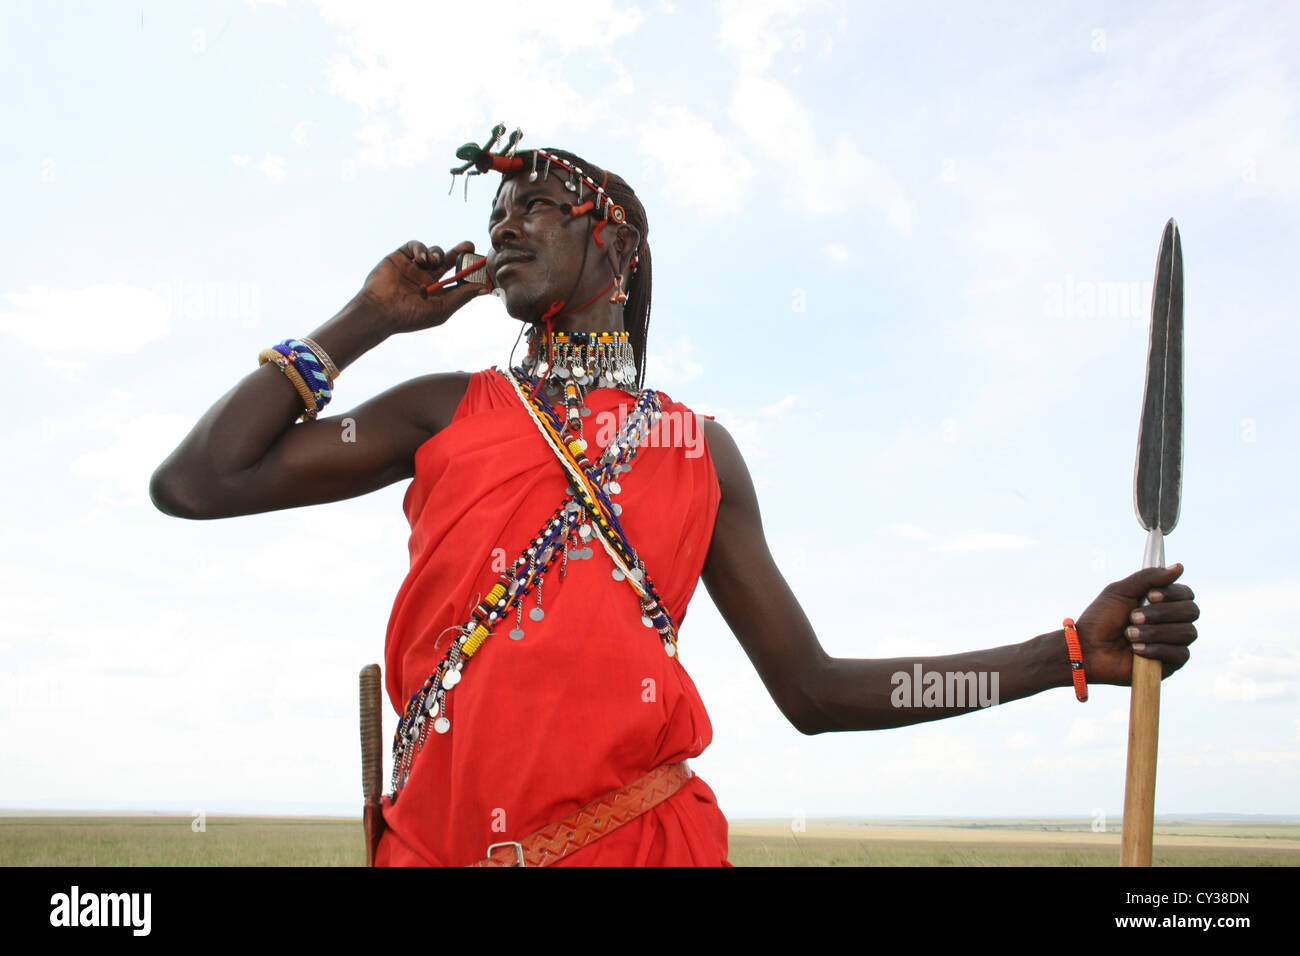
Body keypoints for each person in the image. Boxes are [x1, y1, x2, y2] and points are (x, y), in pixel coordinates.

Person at [149, 140, 1200, 868]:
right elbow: (199, 481)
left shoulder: (697, 451)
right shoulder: (439, 409)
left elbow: (816, 689)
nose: (505, 230)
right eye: (495, 214)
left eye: (535, 208)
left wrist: (1066, 651)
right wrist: (364, 319)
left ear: (616, 246)